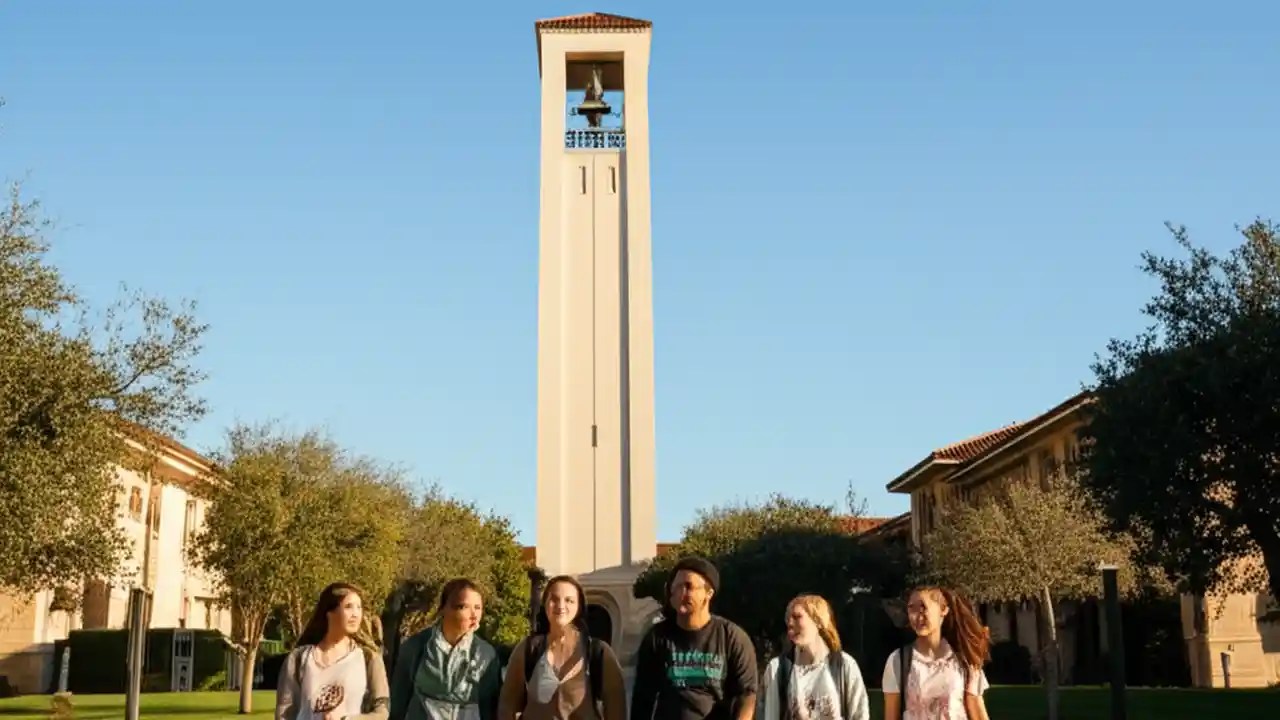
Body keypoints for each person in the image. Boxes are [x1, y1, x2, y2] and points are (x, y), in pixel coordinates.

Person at [630, 556, 758, 720]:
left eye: (689, 586)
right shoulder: (657, 637)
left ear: (708, 593)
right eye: (676, 587)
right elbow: (643, 698)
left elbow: (746, 694)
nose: (681, 593)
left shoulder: (732, 638)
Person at [498, 575, 626, 720]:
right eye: (554, 599)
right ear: (545, 603)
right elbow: (507, 705)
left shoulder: (599, 653)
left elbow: (617, 711)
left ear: (579, 607)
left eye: (569, 600)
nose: (560, 605)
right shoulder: (528, 650)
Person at [389, 578, 502, 720]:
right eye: (463, 607)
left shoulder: (485, 654)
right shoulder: (417, 647)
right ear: (444, 609)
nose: (474, 615)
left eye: (478, 607)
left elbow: (491, 708)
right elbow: (398, 702)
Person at [275, 582, 390, 720]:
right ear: (329, 613)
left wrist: (347, 719)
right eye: (348, 607)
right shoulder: (299, 659)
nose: (355, 614)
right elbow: (284, 713)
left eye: (359, 608)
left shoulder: (368, 658)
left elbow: (382, 713)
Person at [881, 586, 990, 720]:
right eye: (911, 608)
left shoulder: (964, 661)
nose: (917, 616)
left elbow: (978, 714)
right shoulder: (899, 660)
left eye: (923, 607)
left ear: (943, 609)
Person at [760, 595, 869, 720]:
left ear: (818, 621)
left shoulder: (844, 665)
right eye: (788, 619)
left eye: (797, 617)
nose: (790, 623)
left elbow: (860, 715)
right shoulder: (777, 669)